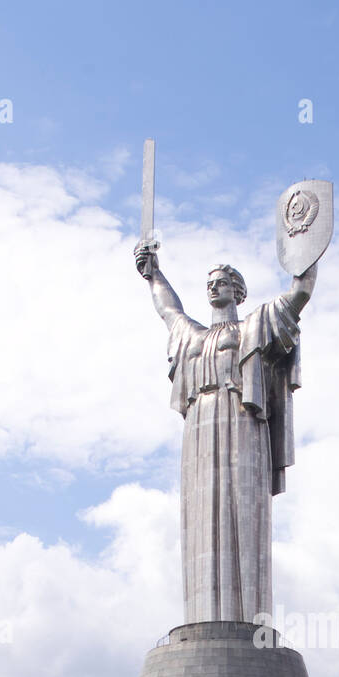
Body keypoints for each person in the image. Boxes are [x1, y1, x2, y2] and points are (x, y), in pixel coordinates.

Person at [134, 246, 317, 623]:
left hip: (243, 421)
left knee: (243, 508)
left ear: (238, 291)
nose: (214, 288)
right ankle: (204, 618)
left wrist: (307, 252)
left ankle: (248, 620)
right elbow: (168, 310)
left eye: (221, 283)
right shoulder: (192, 336)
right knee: (203, 518)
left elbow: (299, 295)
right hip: (200, 428)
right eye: (210, 284)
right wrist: (154, 275)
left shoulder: (253, 326)